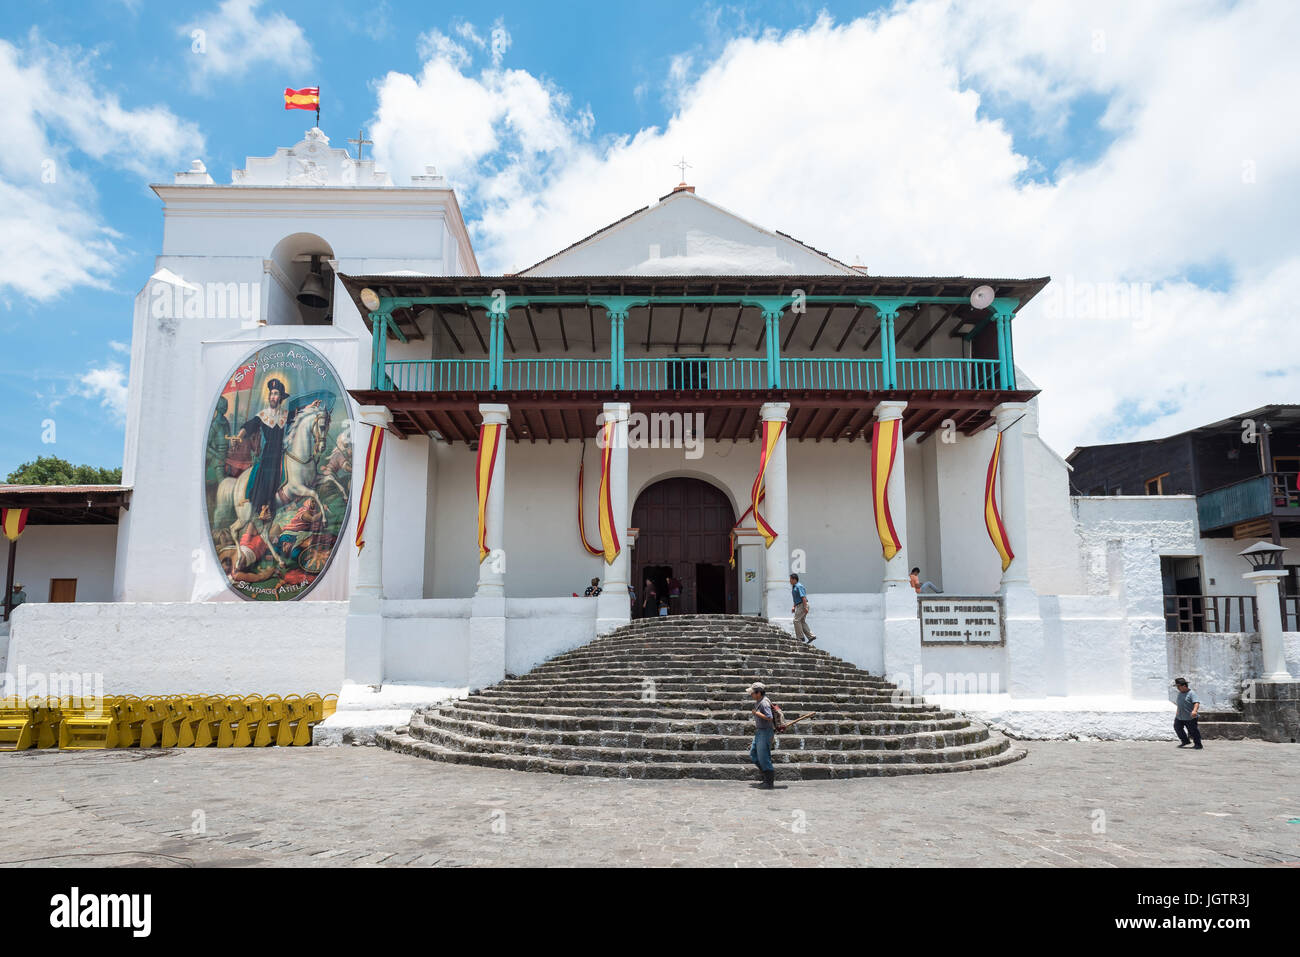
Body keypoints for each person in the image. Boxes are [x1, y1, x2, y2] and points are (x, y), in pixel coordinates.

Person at [231, 378, 293, 525]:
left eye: (276, 393)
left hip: (281, 452)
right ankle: (264, 508)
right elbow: (250, 426)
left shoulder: (285, 414)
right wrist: (239, 437)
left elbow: (299, 413)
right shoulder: (263, 415)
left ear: (280, 397)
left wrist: (310, 406)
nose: (272, 396)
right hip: (269, 454)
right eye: (271, 393)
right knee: (267, 473)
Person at [747, 682, 776, 789]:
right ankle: (765, 775)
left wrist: (756, 713)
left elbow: (769, 717)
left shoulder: (764, 703)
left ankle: (769, 782)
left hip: (765, 731)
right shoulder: (759, 701)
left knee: (764, 757)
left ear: (759, 693)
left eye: (752, 693)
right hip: (760, 731)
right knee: (753, 754)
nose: (751, 695)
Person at [1173, 677, 1203, 750]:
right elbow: (1179, 703)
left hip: (1190, 717)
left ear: (1184, 686)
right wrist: (1177, 712)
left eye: (1178, 686)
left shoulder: (1191, 693)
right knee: (1177, 727)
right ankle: (1185, 741)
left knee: (1193, 731)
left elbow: (1196, 703)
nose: (1177, 688)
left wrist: (1194, 711)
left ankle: (1198, 744)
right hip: (1180, 716)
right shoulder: (1180, 693)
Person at [790, 573, 817, 644]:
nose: (790, 581)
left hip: (802, 605)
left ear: (794, 579)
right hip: (799, 605)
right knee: (801, 621)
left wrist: (805, 607)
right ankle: (811, 636)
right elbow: (796, 599)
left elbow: (803, 597)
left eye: (791, 579)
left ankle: (800, 637)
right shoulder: (794, 587)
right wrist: (794, 607)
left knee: (796, 620)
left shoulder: (799, 586)